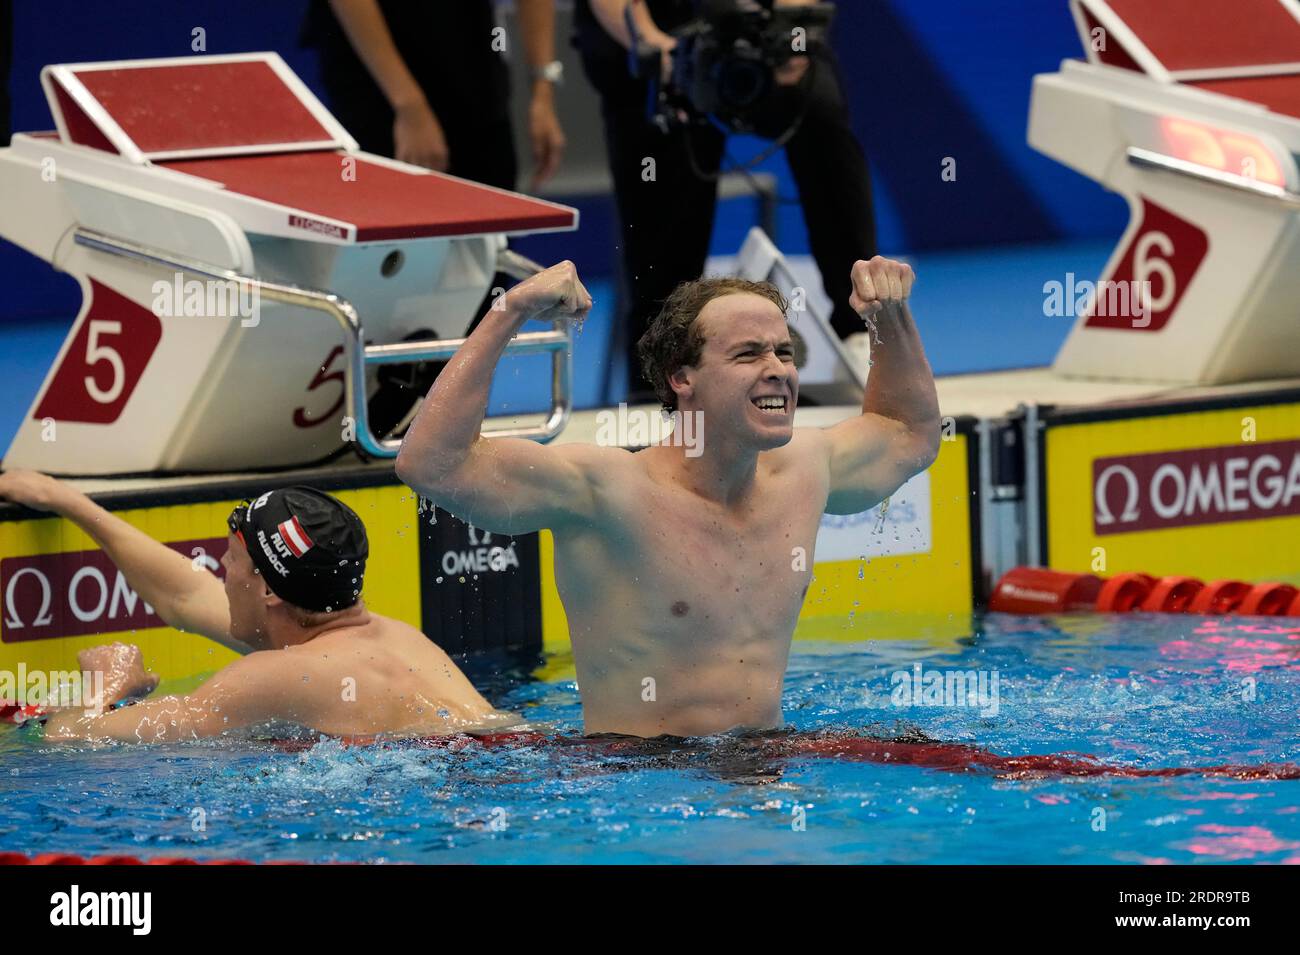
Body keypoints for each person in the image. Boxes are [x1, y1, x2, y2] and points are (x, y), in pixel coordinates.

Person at [395, 254, 939, 738]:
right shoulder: (603, 492)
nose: (777, 371)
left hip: (768, 759)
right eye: (748, 354)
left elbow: (907, 433)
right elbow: (432, 464)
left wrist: (887, 317)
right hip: (640, 779)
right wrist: (509, 310)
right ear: (682, 378)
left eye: (784, 352)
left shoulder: (804, 471)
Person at [0, 472, 520, 742]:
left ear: (268, 590)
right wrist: (67, 501)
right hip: (520, 759)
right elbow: (183, 595)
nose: (218, 578)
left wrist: (108, 687)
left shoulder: (271, 675)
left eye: (228, 564)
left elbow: (77, 741)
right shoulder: (390, 636)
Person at [572, 0, 879, 399]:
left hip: (752, 34)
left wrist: (792, 35)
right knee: (662, 187)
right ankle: (659, 378)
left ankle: (859, 328)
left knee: (821, 113)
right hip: (659, 42)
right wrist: (653, 44)